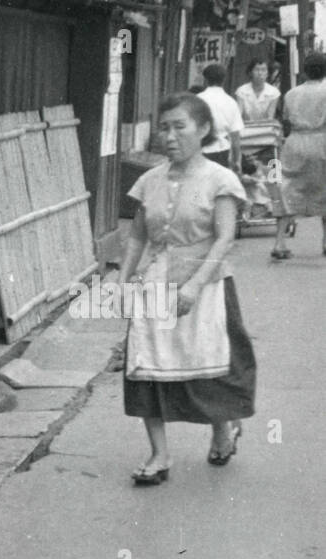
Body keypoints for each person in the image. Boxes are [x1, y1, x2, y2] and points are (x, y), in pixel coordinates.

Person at [118, 92, 255, 485]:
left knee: (210, 364)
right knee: (146, 367)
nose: (170, 136)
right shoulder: (150, 180)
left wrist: (195, 286)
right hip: (157, 284)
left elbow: (224, 238)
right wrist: (123, 282)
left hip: (206, 286)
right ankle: (159, 455)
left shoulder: (220, 180)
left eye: (180, 126)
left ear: (205, 129)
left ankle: (221, 431)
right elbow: (136, 238)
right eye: (164, 127)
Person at [271, 51, 326, 259]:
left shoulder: (291, 93)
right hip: (321, 141)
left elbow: (285, 119)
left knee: (287, 189)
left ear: (305, 71)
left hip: (294, 142)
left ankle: (279, 242)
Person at [197, 64, 243, 169]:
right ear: (224, 80)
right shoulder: (231, 102)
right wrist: (237, 161)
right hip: (222, 152)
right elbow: (235, 136)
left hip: (200, 150)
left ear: (205, 80)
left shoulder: (197, 100)